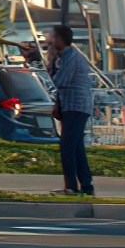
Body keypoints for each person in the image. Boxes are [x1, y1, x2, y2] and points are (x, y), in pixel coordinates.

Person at [48, 18, 98, 196]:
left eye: (52, 37)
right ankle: (86, 185)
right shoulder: (66, 57)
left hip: (76, 106)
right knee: (76, 146)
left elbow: (60, 81)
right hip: (71, 105)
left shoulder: (71, 57)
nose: (50, 41)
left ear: (60, 39)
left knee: (67, 146)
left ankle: (71, 186)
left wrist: (50, 61)